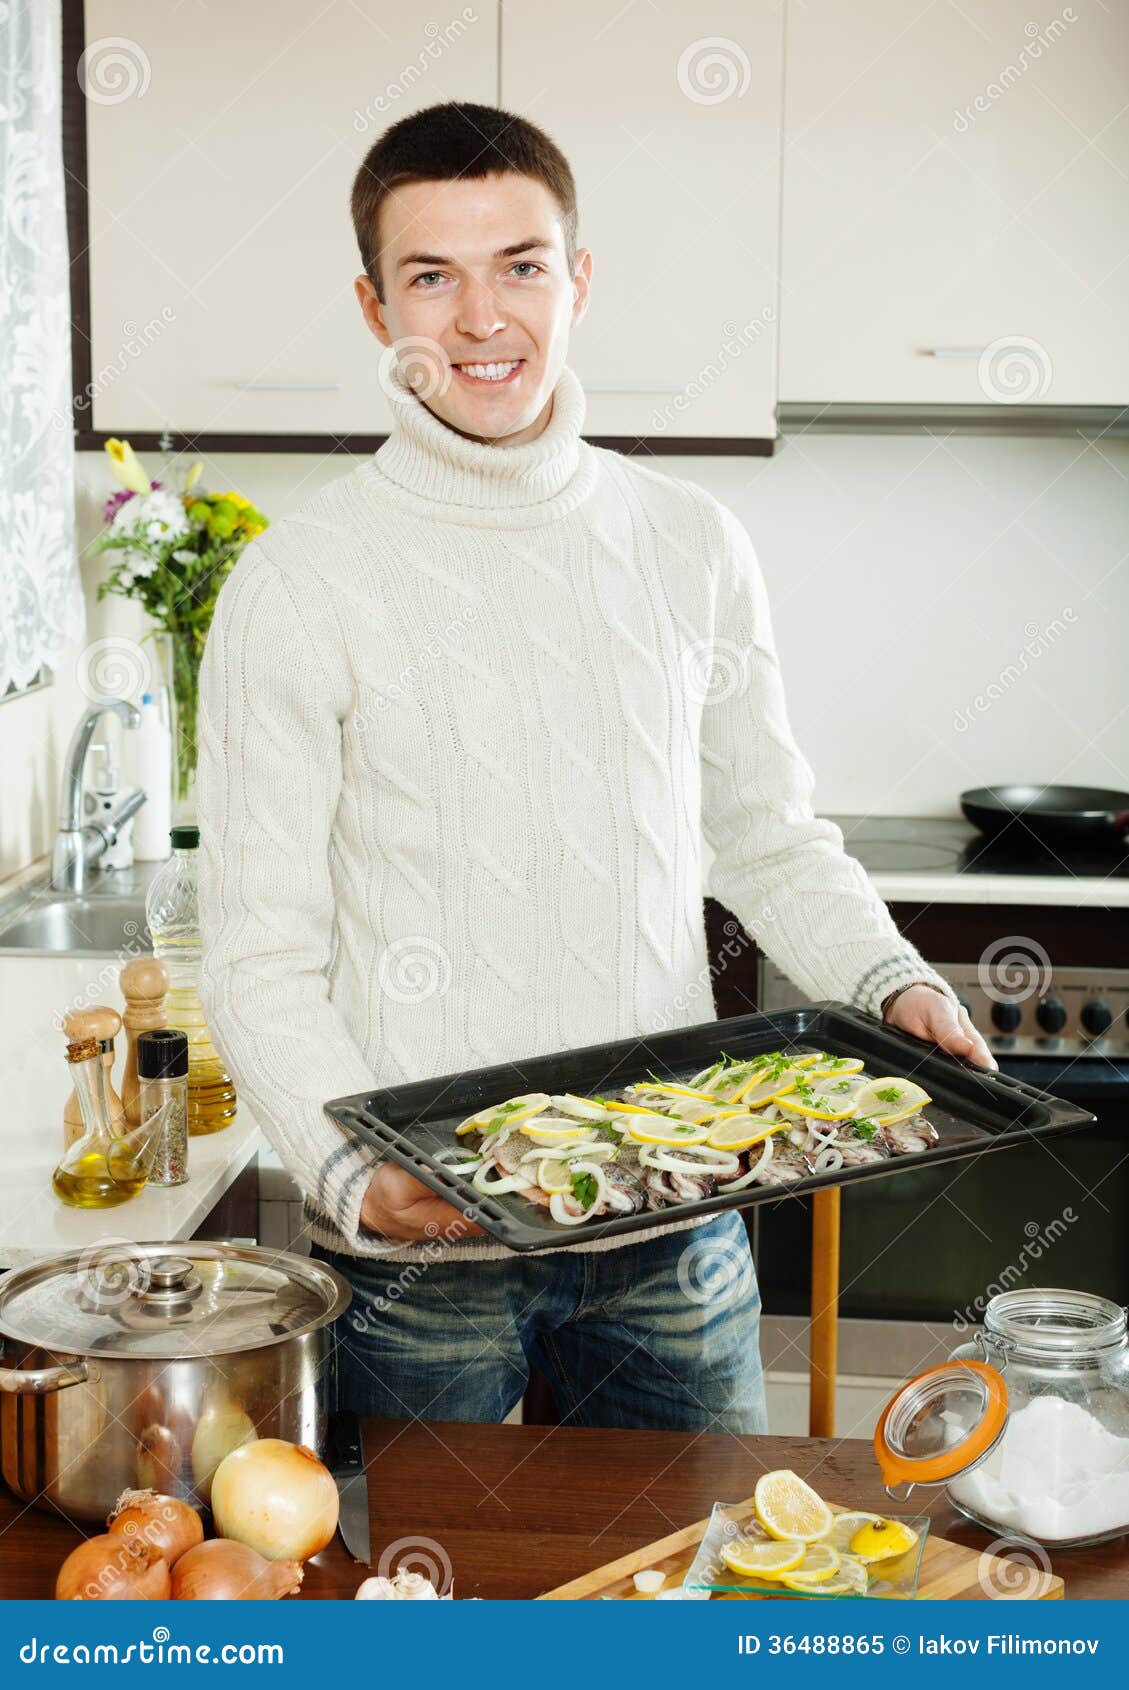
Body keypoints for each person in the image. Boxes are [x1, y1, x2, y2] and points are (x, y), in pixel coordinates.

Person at [196, 101, 994, 1437]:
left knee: (692, 1601)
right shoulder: (298, 581)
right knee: (430, 1625)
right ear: (371, 305)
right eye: (429, 276)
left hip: (673, 1227)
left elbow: (767, 837)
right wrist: (343, 1166)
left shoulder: (688, 543)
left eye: (518, 264)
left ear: (577, 280)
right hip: (420, 1247)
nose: (480, 318)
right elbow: (257, 951)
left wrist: (885, 978)